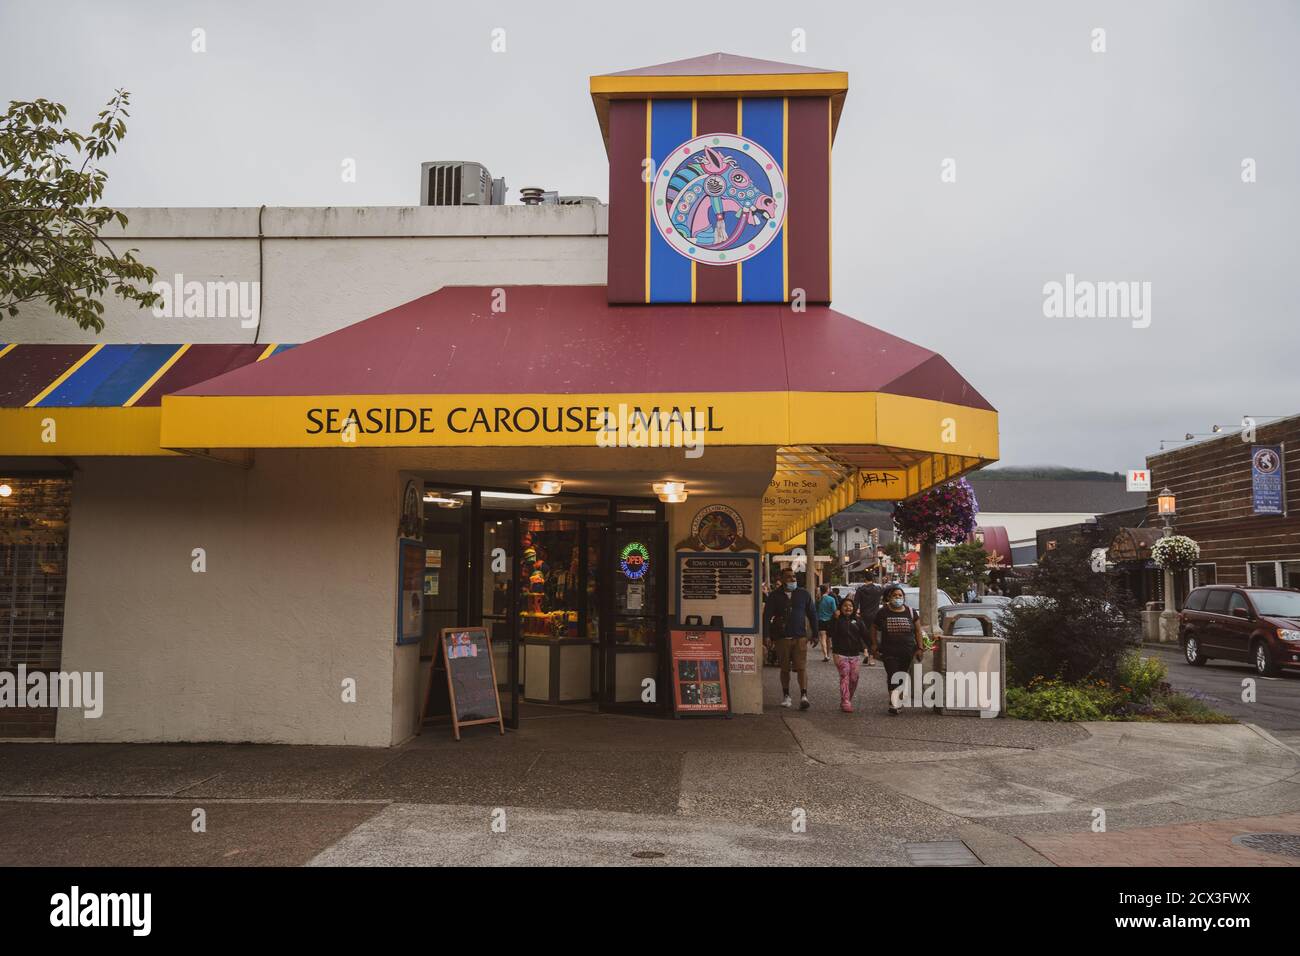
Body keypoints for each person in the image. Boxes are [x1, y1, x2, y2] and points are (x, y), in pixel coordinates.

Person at [762, 568, 818, 709]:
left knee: (801, 668)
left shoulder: (803, 594)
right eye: (788, 577)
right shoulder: (774, 596)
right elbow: (767, 616)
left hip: (800, 637)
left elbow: (812, 614)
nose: (792, 579)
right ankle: (786, 696)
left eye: (794, 576)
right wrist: (766, 635)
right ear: (781, 579)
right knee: (784, 669)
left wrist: (815, 633)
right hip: (782, 637)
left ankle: (804, 695)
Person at [869, 583, 925, 716]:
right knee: (893, 674)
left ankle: (897, 700)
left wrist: (920, 647)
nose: (897, 598)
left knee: (901, 676)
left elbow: (918, 631)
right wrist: (874, 644)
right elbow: (873, 628)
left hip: (907, 650)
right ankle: (894, 702)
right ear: (889, 597)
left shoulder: (911, 612)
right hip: (889, 651)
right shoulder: (883, 612)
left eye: (900, 595)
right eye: (895, 595)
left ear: (903, 597)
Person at [828, 597, 869, 712]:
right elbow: (830, 632)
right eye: (845, 605)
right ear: (840, 607)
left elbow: (865, 635)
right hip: (840, 653)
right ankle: (846, 701)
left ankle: (847, 698)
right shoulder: (837, 619)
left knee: (854, 678)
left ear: (854, 608)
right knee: (844, 676)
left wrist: (872, 647)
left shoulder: (858, 620)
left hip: (855, 654)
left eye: (850, 606)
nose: (848, 608)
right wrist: (835, 619)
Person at [853, 572, 883, 664]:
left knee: (862, 634)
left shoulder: (860, 590)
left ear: (864, 579)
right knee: (872, 636)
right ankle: (871, 657)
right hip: (875, 616)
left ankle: (865, 652)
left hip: (863, 615)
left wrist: (855, 614)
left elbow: (855, 604)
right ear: (873, 579)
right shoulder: (878, 590)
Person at [816, 584, 838, 663]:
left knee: (823, 639)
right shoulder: (831, 599)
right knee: (829, 639)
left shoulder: (818, 600)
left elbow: (816, 611)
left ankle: (825, 655)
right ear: (827, 590)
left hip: (821, 621)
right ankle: (828, 654)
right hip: (830, 621)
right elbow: (835, 611)